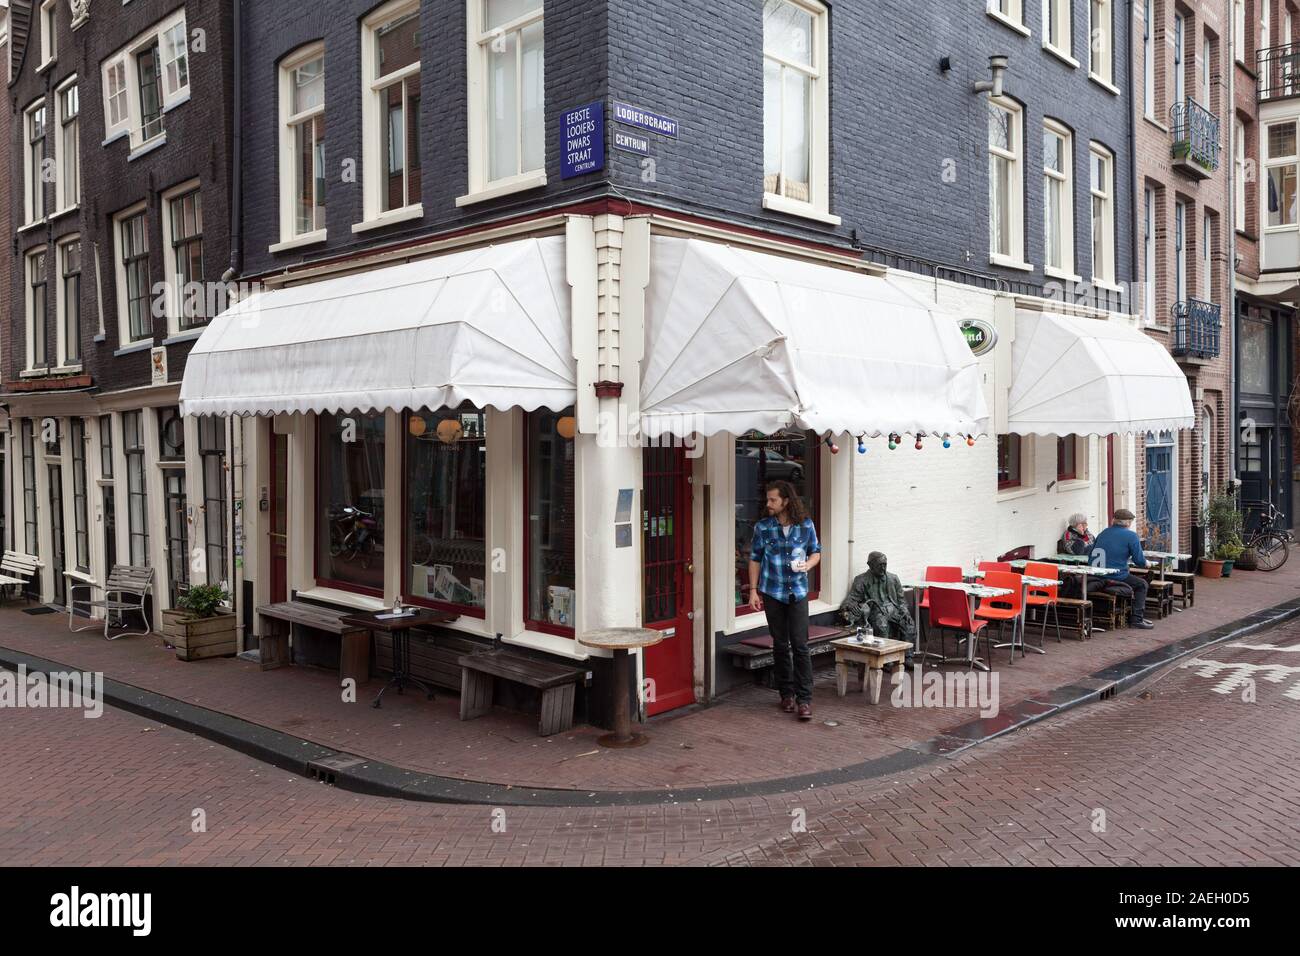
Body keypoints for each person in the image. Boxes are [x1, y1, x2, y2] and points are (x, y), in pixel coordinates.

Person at [748, 480, 822, 721]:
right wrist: (753, 591)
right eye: (768, 499)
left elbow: (816, 551)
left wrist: (808, 565)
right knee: (780, 645)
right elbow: (755, 558)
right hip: (773, 592)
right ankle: (786, 695)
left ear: (786, 501)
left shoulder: (806, 525)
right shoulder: (763, 527)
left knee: (800, 645)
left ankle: (804, 700)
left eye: (773, 500)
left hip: (798, 592)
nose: (768, 504)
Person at [841, 552, 915, 668]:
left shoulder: (893, 578)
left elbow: (902, 601)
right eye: (880, 565)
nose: (883, 568)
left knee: (908, 623)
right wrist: (849, 606)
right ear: (870, 565)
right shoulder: (861, 580)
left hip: (893, 609)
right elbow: (851, 599)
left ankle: (908, 656)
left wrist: (904, 611)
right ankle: (885, 659)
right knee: (882, 625)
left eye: (885, 564)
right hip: (876, 611)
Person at [1092, 508, 1153, 629]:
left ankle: (1130, 614)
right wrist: (1147, 563)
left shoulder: (1103, 533)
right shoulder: (1131, 536)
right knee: (1142, 584)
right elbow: (1139, 561)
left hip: (1096, 575)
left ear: (1114, 520)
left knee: (1134, 579)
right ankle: (1136, 619)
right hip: (1115, 575)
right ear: (1128, 522)